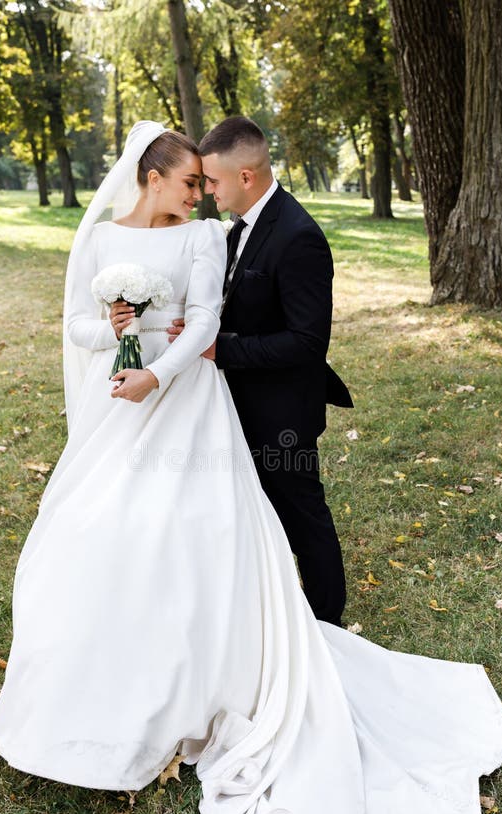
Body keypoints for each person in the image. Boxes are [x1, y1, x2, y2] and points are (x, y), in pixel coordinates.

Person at [0, 121, 502, 814]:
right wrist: (113, 330)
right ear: (152, 177)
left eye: (209, 182)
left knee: (225, 520)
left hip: (198, 399)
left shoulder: (224, 237)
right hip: (125, 406)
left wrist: (162, 370)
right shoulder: (105, 237)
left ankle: (261, 648)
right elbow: (74, 324)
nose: (202, 194)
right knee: (108, 528)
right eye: (190, 181)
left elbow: (213, 323)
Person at [111, 116, 351, 626]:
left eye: (213, 181)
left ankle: (326, 620)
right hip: (235, 399)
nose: (207, 192)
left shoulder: (298, 236)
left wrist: (222, 347)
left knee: (300, 510)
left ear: (246, 177)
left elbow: (308, 342)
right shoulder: (238, 227)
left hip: (282, 407)